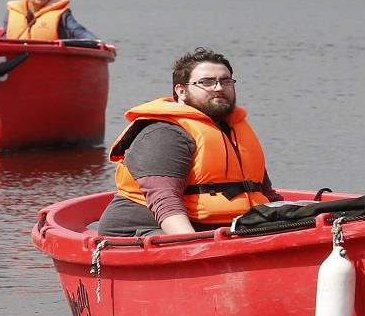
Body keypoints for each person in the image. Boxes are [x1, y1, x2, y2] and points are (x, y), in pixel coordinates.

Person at [93, 47, 279, 237]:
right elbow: (165, 202)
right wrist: (195, 248)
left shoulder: (231, 132)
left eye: (226, 81)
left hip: (223, 231)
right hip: (143, 234)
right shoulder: (163, 133)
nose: (219, 87)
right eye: (206, 82)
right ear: (181, 91)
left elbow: (267, 195)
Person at [3, 0, 99, 42]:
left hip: (52, 57)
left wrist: (97, 43)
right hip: (18, 57)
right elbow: (4, 37)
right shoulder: (12, 12)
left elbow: (78, 31)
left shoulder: (62, 13)